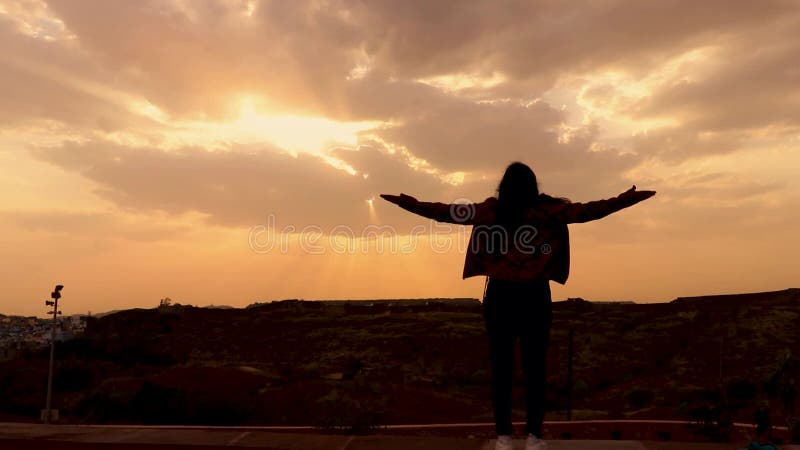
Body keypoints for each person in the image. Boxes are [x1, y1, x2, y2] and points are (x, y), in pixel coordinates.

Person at [381, 161, 656, 450]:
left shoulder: (490, 211)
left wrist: (407, 203)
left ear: (504, 186)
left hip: (500, 296)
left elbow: (444, 212)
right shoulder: (549, 211)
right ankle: (534, 437)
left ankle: (504, 438)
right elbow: (590, 211)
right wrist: (627, 199)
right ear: (533, 186)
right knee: (535, 369)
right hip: (535, 296)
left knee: (501, 369)